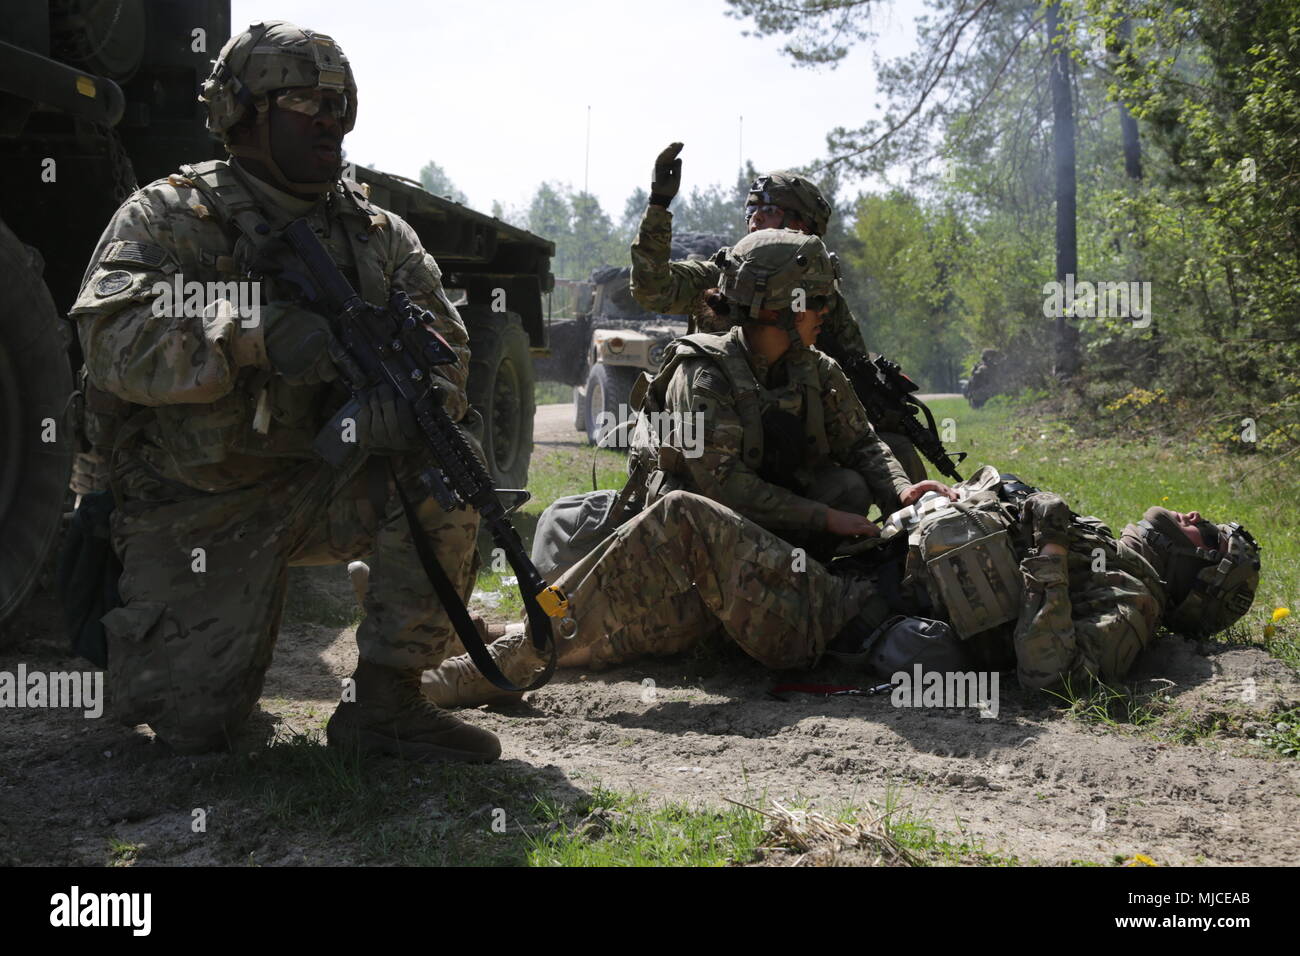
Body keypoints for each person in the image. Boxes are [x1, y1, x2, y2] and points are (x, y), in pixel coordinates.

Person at [69, 20, 500, 762]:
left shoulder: (377, 234)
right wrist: (251, 331)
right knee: (196, 734)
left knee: (447, 468)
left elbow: (448, 345)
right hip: (199, 503)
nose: (329, 116)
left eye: (341, 101)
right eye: (304, 99)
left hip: (325, 483)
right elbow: (110, 338)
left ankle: (387, 706)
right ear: (244, 113)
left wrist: (405, 403)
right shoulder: (170, 216)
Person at [425, 229, 974, 704]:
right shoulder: (705, 373)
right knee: (611, 624)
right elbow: (725, 486)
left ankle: (495, 659)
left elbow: (864, 444)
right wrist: (825, 519)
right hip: (707, 567)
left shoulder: (816, 369)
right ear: (780, 306)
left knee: (632, 600)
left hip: (775, 581)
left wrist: (904, 492)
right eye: (819, 303)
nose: (826, 316)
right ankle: (469, 647)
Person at [426, 467, 1261, 707]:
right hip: (836, 585)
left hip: (835, 622)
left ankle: (508, 654)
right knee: (635, 589)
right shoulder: (1104, 554)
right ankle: (475, 643)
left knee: (683, 520)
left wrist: (1043, 550)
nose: (1189, 514)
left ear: (1201, 574)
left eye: (1206, 531)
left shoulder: (1132, 601)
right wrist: (956, 499)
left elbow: (1051, 677)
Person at [628, 143, 929, 480]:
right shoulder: (722, 276)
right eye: (751, 209)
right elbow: (652, 288)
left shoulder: (823, 297)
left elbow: (850, 369)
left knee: (892, 450)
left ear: (804, 227)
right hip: (720, 433)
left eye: (769, 210)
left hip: (789, 433)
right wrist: (659, 205)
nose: (755, 218)